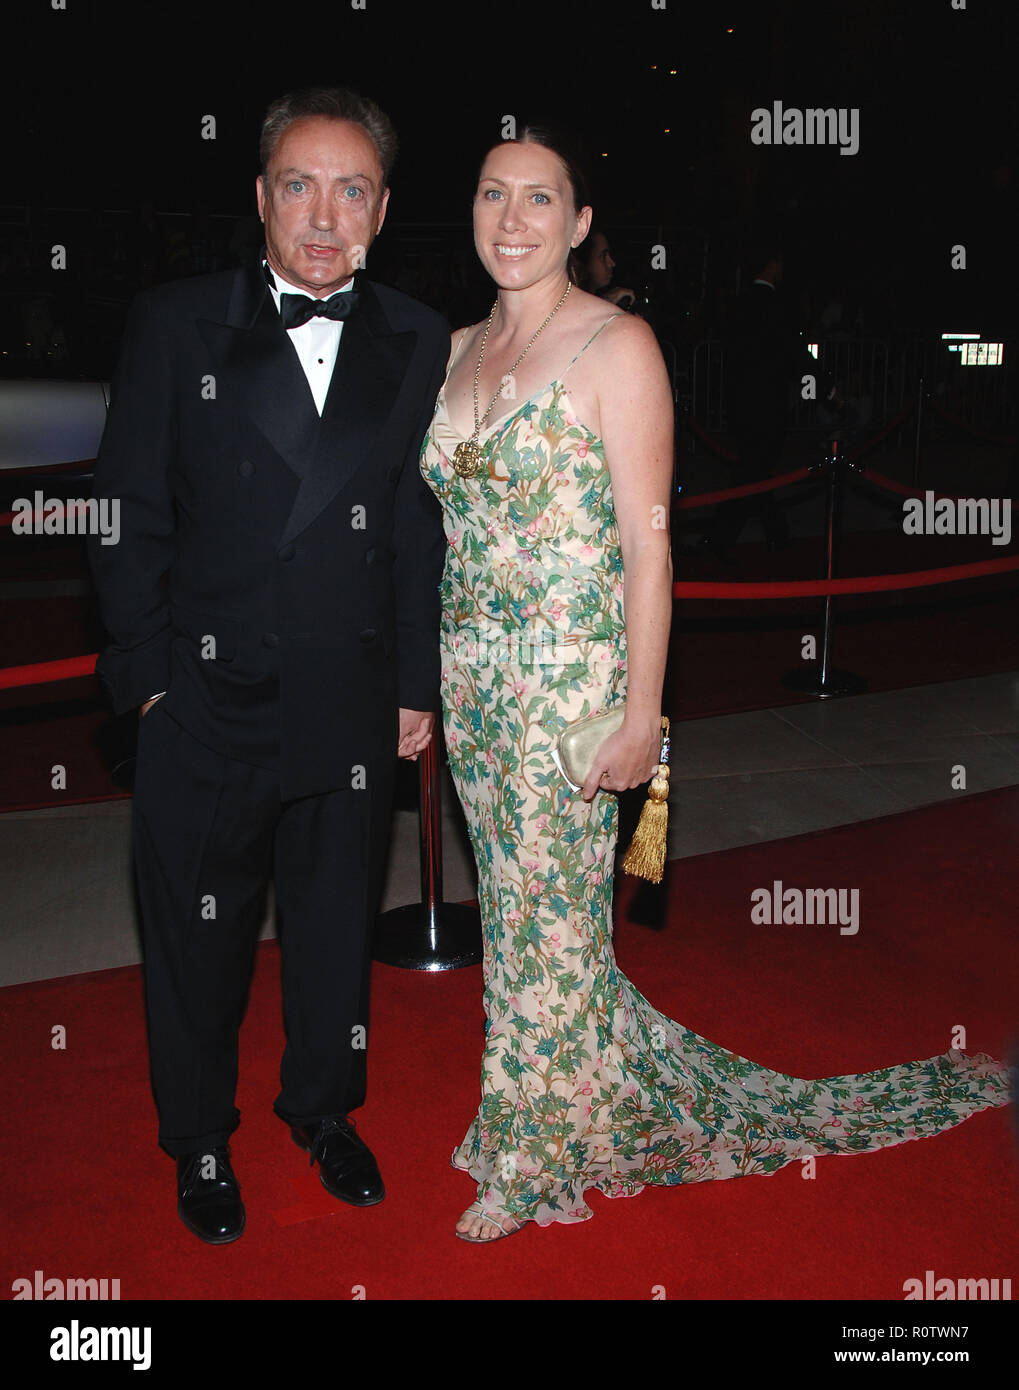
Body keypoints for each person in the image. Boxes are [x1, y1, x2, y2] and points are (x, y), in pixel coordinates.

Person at [419, 127, 1012, 1241]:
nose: (511, 218)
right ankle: (535, 1109)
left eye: (539, 199)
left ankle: (535, 1156)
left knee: (555, 919)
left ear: (579, 222)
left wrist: (644, 713)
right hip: (473, 689)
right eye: (492, 194)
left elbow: (651, 548)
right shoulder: (452, 350)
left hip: (568, 698)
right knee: (515, 913)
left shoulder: (616, 346)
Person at [87, 87, 449, 1243]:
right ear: (259, 195)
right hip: (206, 697)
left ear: (383, 209)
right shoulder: (174, 320)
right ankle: (198, 1136)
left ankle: (323, 1109)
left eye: (353, 190)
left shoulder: (417, 334)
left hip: (346, 703)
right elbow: (127, 508)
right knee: (197, 938)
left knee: (336, 925)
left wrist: (412, 686)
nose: (325, 215)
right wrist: (147, 679)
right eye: (300, 184)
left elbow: (409, 523)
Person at [705, 247, 842, 560]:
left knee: (754, 471)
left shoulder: (738, 305)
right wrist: (830, 391)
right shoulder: (777, 307)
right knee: (752, 473)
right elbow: (796, 356)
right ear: (772, 264)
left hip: (740, 405)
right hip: (768, 407)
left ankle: (767, 535)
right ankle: (725, 539)